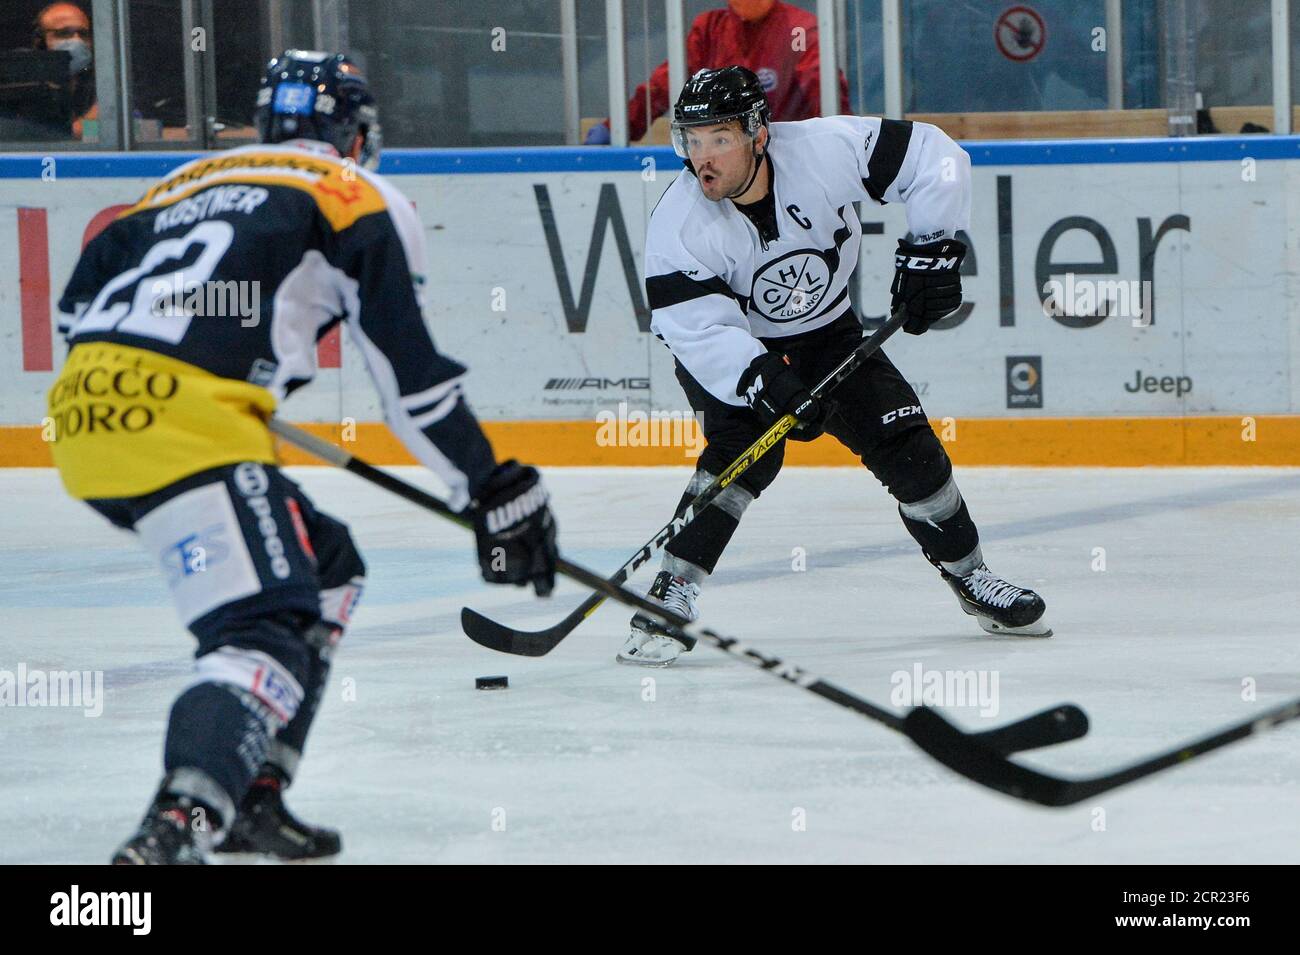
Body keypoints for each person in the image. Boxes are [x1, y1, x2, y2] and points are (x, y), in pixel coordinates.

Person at [47, 50, 559, 863]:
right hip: (187, 424)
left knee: (327, 567)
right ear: (353, 135)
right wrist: (491, 485)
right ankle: (178, 826)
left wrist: (205, 372)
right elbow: (412, 385)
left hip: (83, 416)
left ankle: (257, 792)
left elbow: (77, 313)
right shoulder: (354, 194)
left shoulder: (176, 184)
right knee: (262, 628)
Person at [619, 66, 1049, 667]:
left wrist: (934, 248)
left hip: (829, 334)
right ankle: (672, 588)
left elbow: (936, 155)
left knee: (910, 448)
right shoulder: (679, 223)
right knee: (743, 453)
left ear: (758, 133)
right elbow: (696, 329)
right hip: (736, 349)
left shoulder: (822, 150)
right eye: (691, 141)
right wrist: (762, 379)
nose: (703, 158)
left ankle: (972, 578)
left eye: (718, 138)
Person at [586, 0, 849, 144]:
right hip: (723, 161)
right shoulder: (711, 30)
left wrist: (841, 140)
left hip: (785, 159)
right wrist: (618, 127)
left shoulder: (798, 30)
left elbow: (823, 88)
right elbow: (665, 85)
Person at [32, 2, 97, 138]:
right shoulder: (23, 81)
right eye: (64, 33)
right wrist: (87, 126)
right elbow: (34, 137)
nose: (77, 40)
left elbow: (112, 132)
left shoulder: (103, 83)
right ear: (41, 42)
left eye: (83, 33)